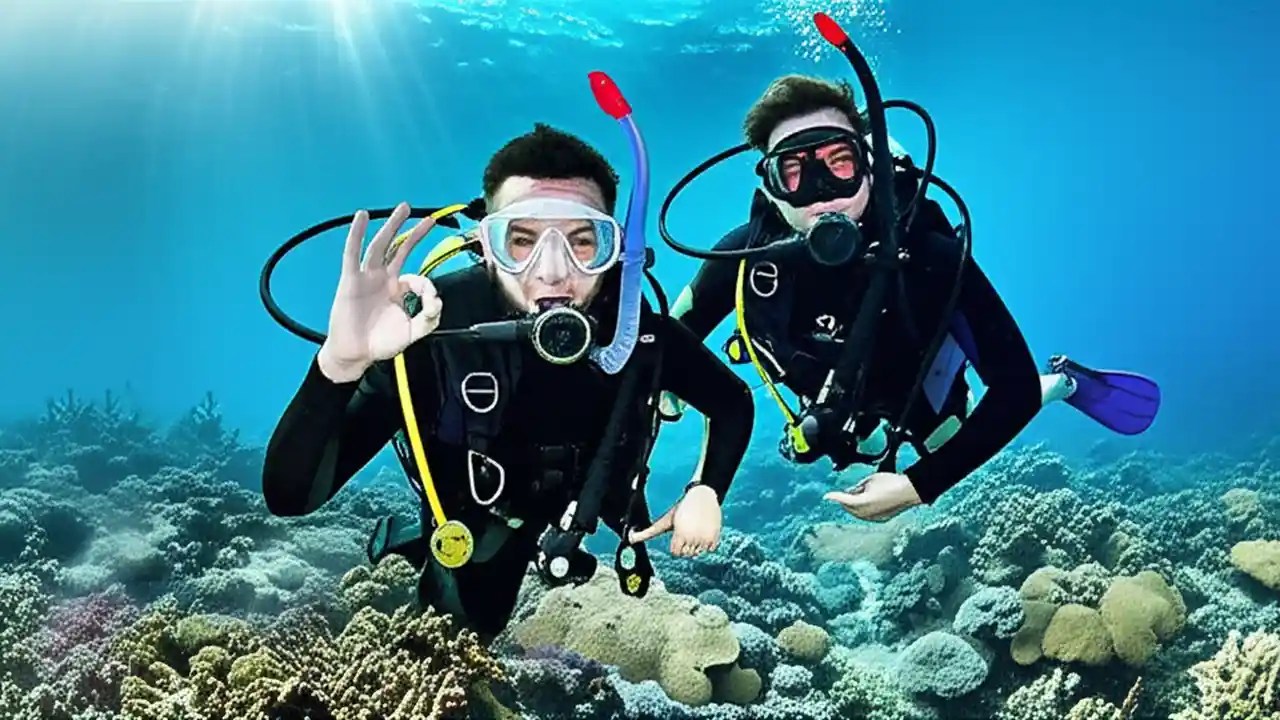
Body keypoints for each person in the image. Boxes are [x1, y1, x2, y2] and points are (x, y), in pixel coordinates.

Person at [260, 121, 754, 641]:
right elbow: (289, 497)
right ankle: (413, 540)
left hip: (589, 500)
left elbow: (733, 403)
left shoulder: (639, 334)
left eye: (583, 242)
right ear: (485, 246)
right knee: (467, 630)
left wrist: (707, 488)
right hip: (481, 513)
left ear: (618, 251)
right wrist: (339, 365)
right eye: (521, 241)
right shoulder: (429, 330)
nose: (553, 273)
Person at [659, 72, 1159, 524]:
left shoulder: (929, 255)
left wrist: (918, 489)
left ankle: (1067, 382)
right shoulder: (746, 259)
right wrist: (667, 408)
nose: (821, 192)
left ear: (870, 168)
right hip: (838, 419)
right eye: (793, 171)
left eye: (839, 162)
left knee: (959, 430)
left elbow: (1016, 390)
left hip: (928, 412)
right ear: (770, 190)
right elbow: (660, 350)